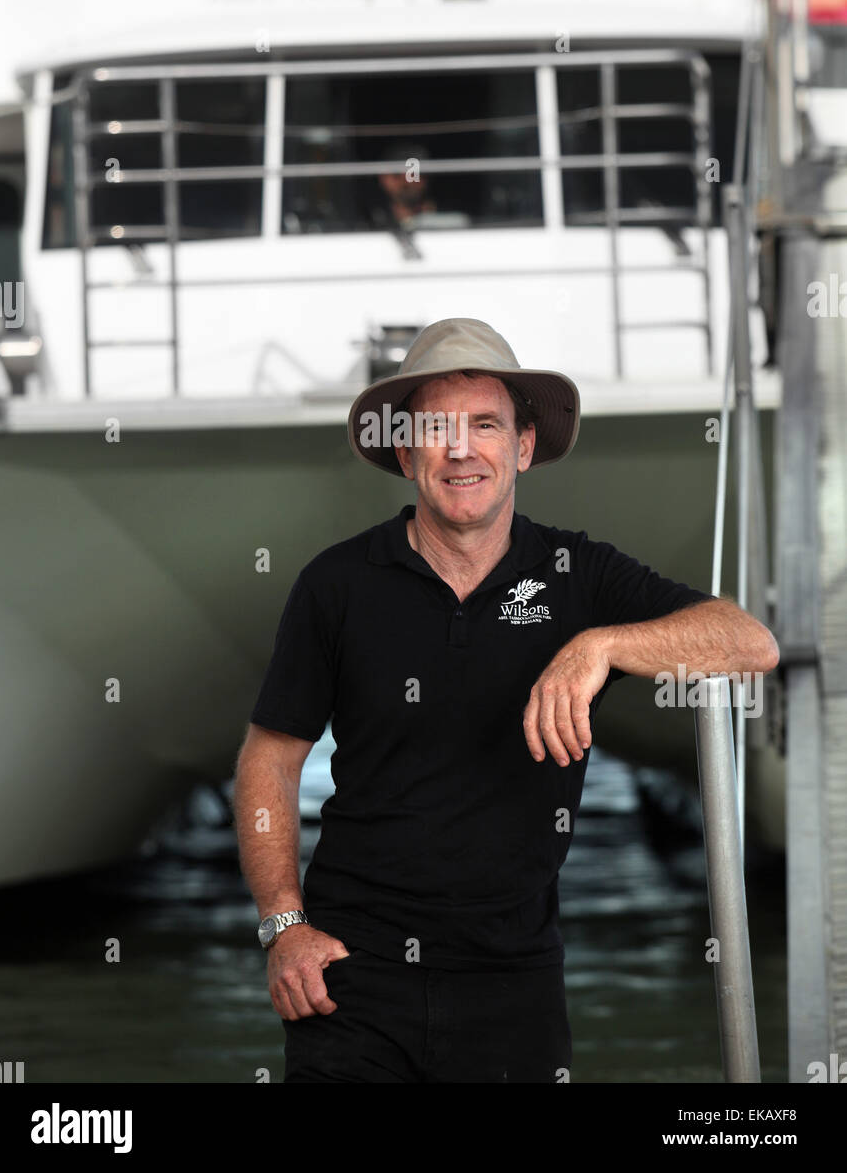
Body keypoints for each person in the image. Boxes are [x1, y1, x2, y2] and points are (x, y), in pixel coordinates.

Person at [234, 317, 779, 1084]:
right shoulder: (337, 584)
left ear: (522, 447)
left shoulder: (576, 573)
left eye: (485, 425)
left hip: (513, 981)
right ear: (405, 450)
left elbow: (747, 641)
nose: (462, 450)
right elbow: (271, 756)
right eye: (437, 429)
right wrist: (283, 926)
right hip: (351, 976)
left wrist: (600, 646)